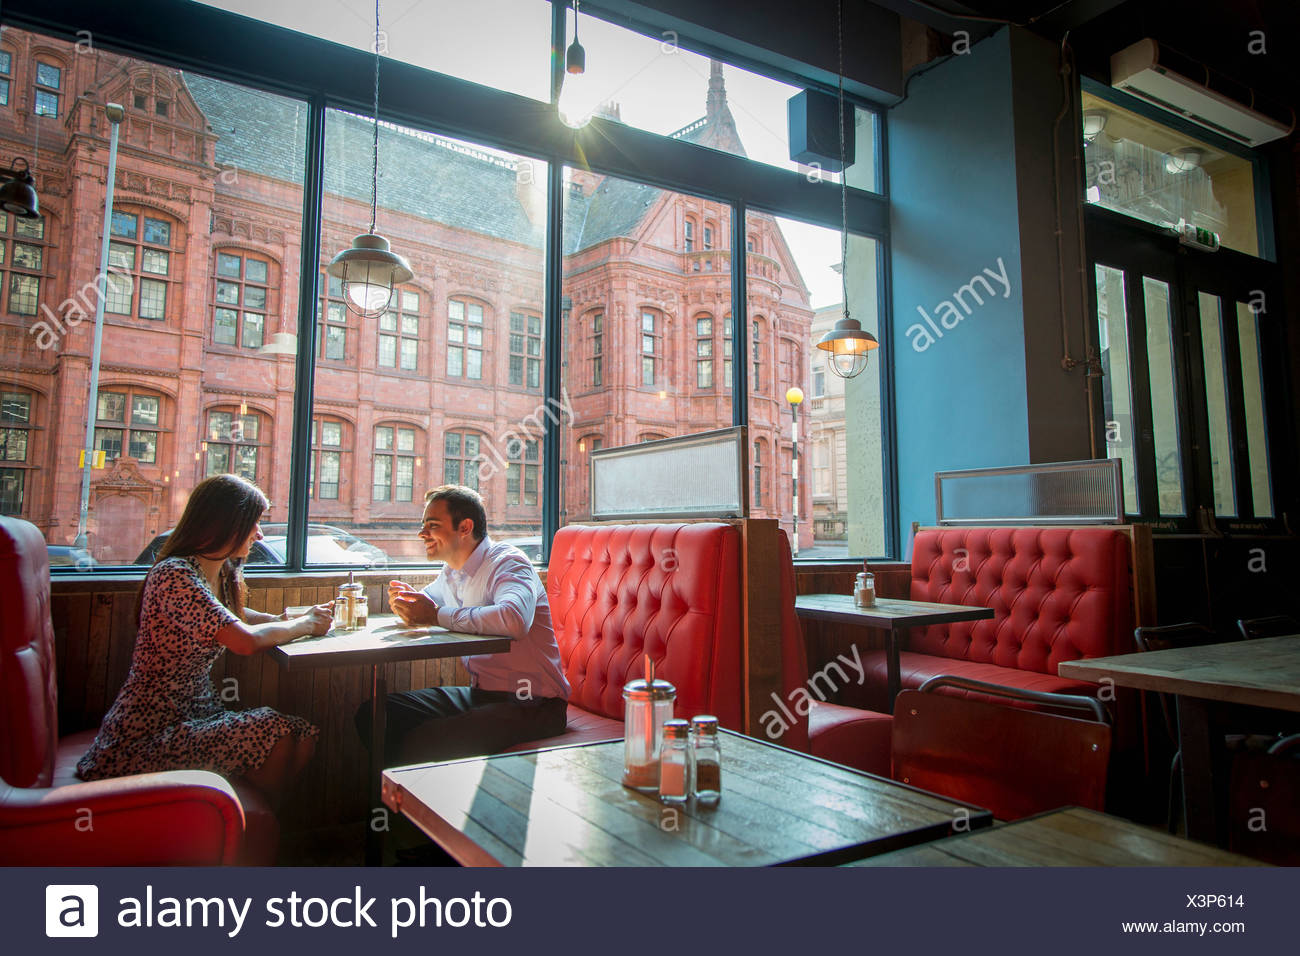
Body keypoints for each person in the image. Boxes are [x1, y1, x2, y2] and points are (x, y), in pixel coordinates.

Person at [76, 474, 330, 804]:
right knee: (276, 731)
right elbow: (244, 641)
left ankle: (251, 825)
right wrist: (304, 625)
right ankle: (247, 833)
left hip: (195, 715)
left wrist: (283, 621)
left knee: (303, 735)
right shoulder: (174, 574)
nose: (260, 533)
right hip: (147, 734)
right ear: (224, 523)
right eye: (253, 523)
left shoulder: (218, 569)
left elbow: (234, 616)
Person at [356, 484, 569, 766]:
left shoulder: (509, 563)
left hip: (535, 703)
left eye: (432, 525)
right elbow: (428, 605)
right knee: (376, 715)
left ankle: (412, 799)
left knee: (424, 742)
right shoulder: (452, 573)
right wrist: (407, 602)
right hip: (483, 696)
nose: (422, 534)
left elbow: (514, 619)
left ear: (465, 527)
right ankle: (405, 799)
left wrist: (434, 615)